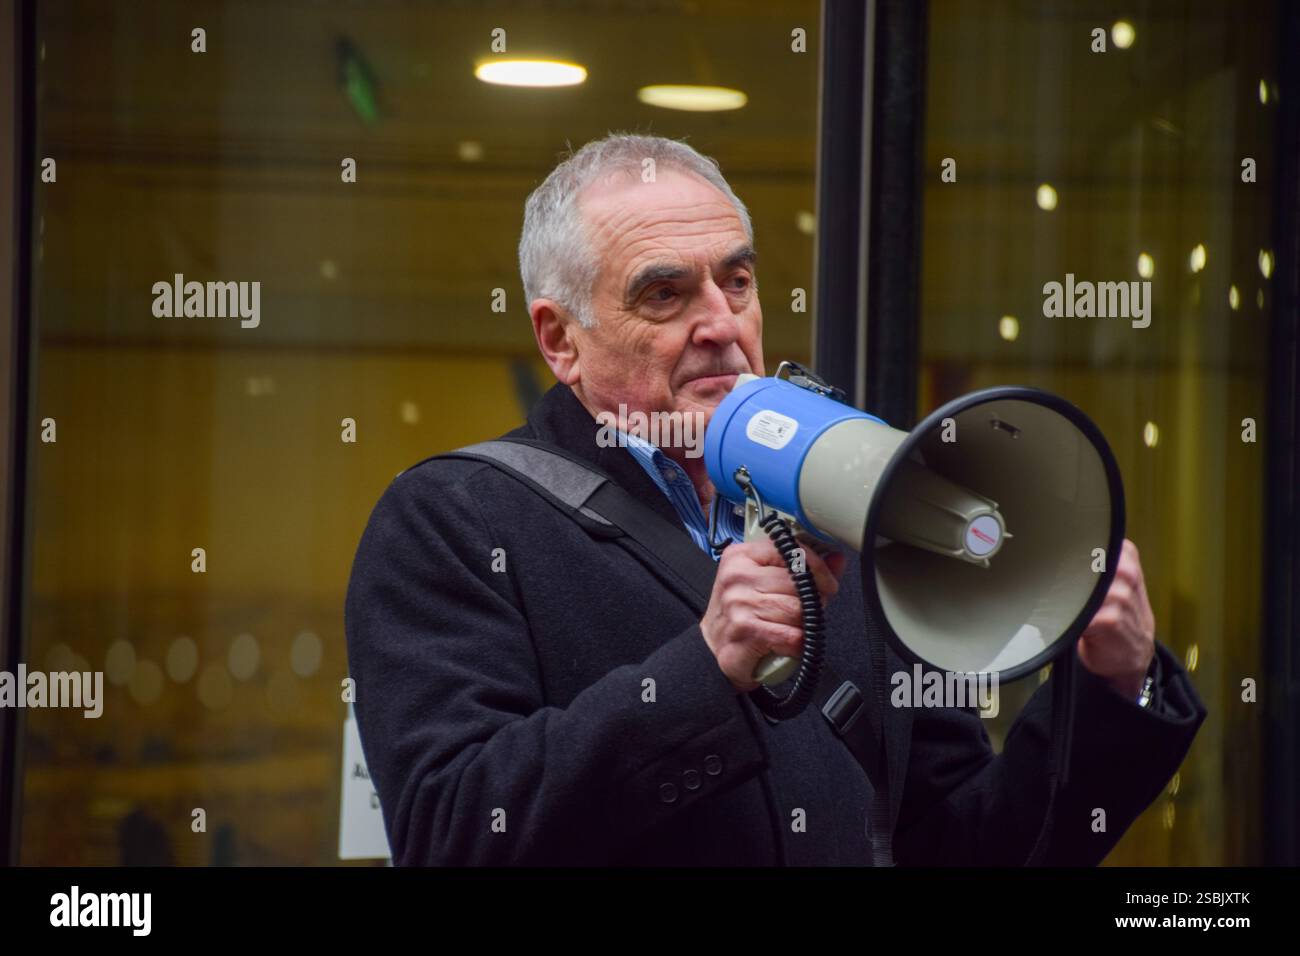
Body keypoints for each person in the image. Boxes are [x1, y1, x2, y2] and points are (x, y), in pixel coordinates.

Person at [344, 132, 1206, 866]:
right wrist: (703, 670)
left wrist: (1107, 689)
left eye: (739, 281)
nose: (721, 321)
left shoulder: (849, 505)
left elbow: (962, 842)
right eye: (665, 292)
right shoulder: (458, 518)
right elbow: (451, 826)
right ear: (560, 339)